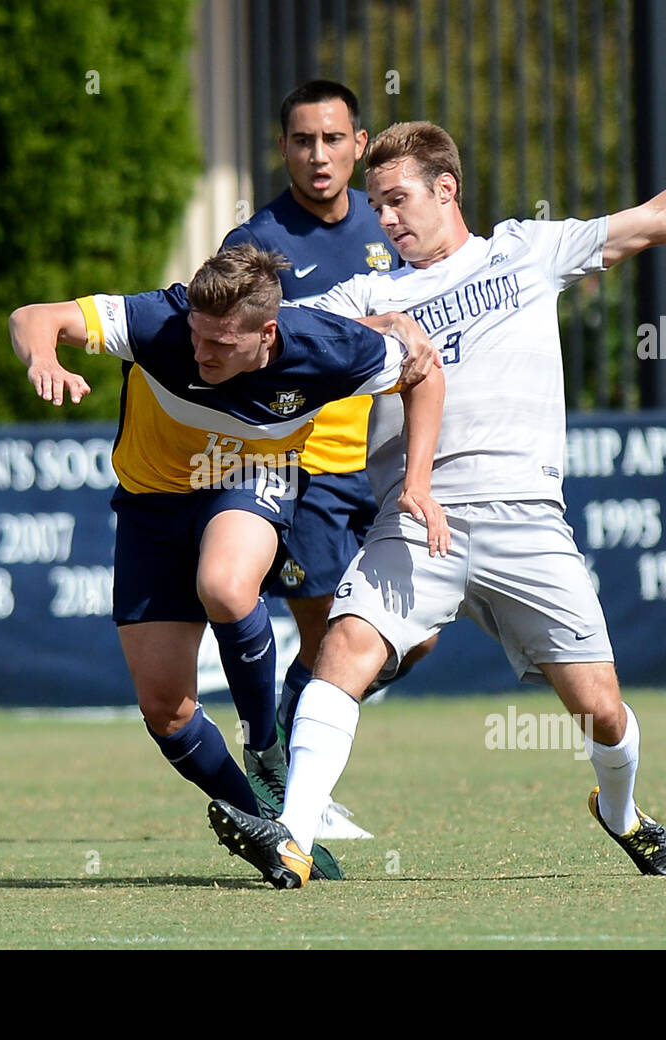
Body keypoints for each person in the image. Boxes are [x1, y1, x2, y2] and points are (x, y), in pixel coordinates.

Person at [208, 101, 666, 888]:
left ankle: (621, 812)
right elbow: (263, 333)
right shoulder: (361, 299)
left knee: (603, 713)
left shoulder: (526, 252)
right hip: (418, 516)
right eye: (376, 206)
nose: (384, 219)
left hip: (527, 521)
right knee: (342, 652)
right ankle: (295, 841)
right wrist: (151, 328)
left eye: (397, 200)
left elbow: (658, 219)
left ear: (446, 190)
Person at [8, 244, 445, 880]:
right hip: (150, 506)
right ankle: (271, 831)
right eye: (197, 335)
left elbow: (423, 374)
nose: (202, 352)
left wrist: (419, 481)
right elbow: (32, 317)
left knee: (225, 584)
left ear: (267, 333)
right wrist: (44, 357)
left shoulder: (325, 347)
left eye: (220, 343)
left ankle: (264, 744)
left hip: (249, 478)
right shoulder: (160, 323)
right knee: (166, 710)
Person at [221, 79, 436, 841]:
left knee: (413, 635)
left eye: (334, 139)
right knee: (328, 641)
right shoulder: (255, 243)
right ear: (282, 147)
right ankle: (290, 786)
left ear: (358, 142)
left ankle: (284, 748)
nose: (319, 155)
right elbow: (230, 347)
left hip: (375, 470)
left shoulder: (388, 229)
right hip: (300, 470)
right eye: (303, 141)